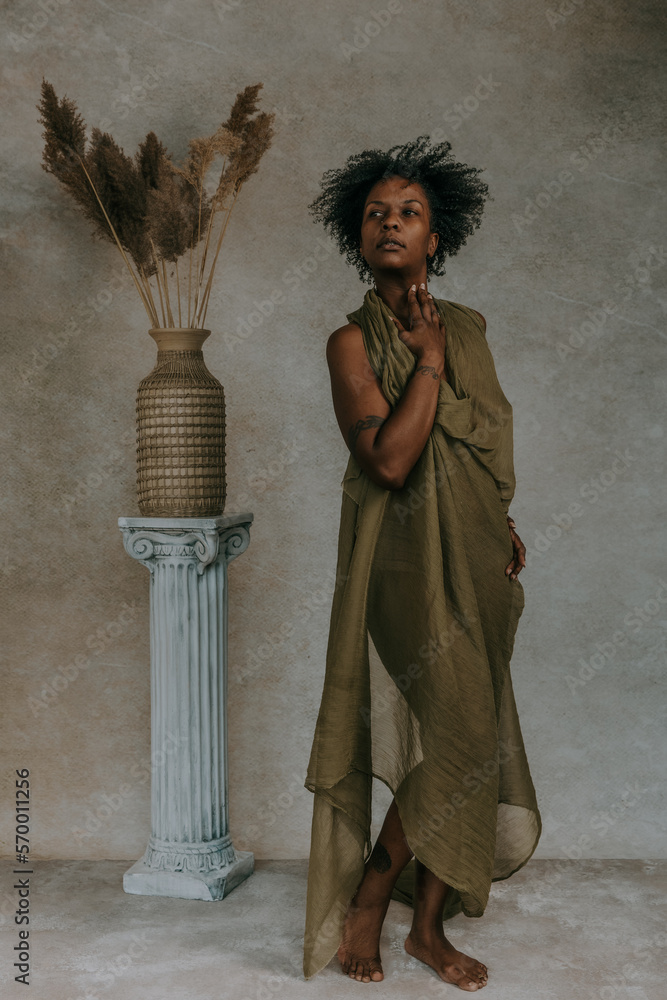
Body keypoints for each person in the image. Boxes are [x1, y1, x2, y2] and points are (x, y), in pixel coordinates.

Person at [302, 136, 541, 991]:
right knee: (455, 726)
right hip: (397, 558)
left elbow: (483, 437)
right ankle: (372, 893)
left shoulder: (470, 327)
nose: (389, 223)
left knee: (466, 735)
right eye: (374, 214)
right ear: (356, 237)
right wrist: (427, 362)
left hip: (474, 544)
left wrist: (500, 518)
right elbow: (392, 462)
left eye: (407, 213)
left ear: (436, 237)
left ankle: (424, 925)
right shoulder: (349, 344)